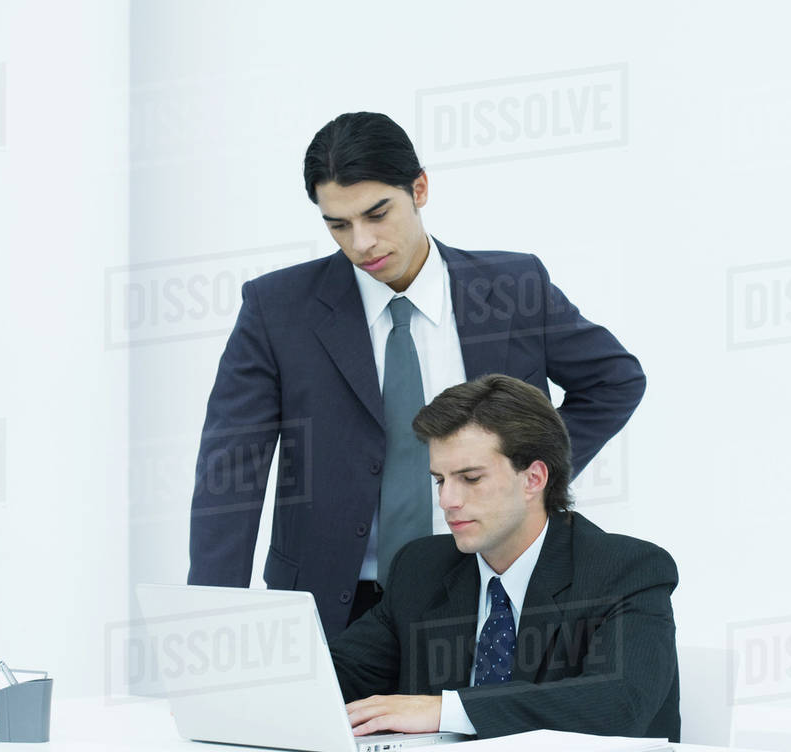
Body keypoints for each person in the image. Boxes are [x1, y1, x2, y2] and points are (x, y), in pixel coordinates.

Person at [188, 112, 646, 638]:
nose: (362, 242)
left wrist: (527, 476)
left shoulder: (514, 286)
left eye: (377, 213)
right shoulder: (278, 309)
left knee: (475, 721)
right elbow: (232, 474)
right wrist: (211, 619)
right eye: (338, 225)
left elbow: (614, 382)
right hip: (333, 604)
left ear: (419, 188)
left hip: (487, 590)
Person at [331, 374, 679, 740]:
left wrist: (448, 710)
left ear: (533, 479)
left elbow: (619, 704)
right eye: (440, 479)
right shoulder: (421, 567)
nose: (447, 500)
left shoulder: (626, 570)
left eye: (471, 478)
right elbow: (342, 675)